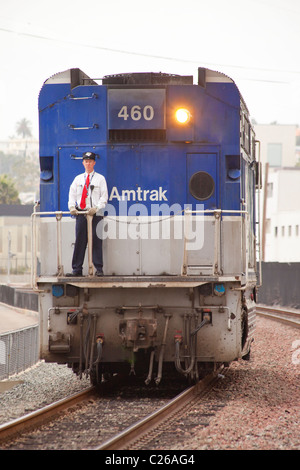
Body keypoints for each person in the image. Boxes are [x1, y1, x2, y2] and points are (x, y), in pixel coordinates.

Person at [67, 151, 108, 277]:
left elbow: (104, 197)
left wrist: (96, 208)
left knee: (96, 241)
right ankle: (77, 269)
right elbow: (72, 195)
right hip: (81, 213)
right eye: (86, 161)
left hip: (95, 214)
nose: (88, 164)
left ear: (94, 163)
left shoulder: (100, 179)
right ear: (83, 163)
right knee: (80, 241)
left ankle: (99, 269)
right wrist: (72, 207)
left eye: (90, 161)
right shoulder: (78, 179)